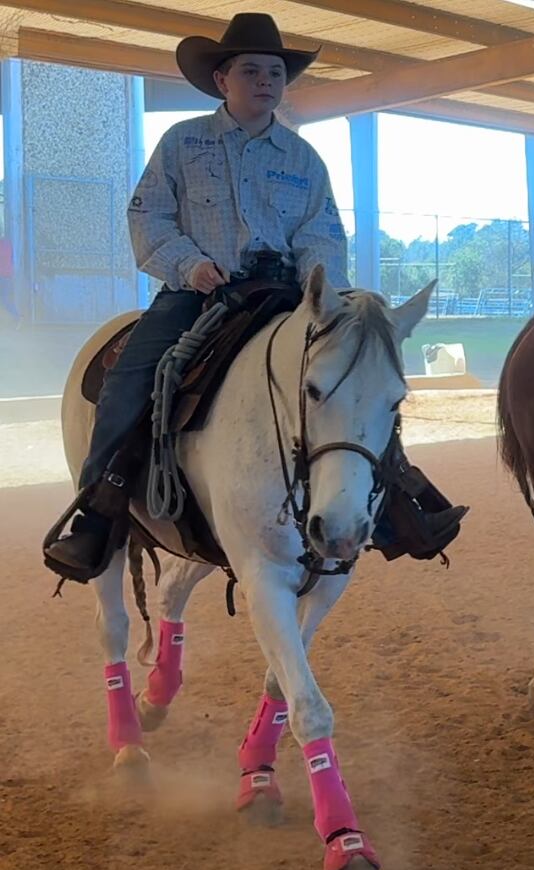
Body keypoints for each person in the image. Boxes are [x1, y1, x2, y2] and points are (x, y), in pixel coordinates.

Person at [44, 14, 466, 580]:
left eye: (274, 73)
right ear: (222, 80)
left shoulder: (303, 158)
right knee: (131, 378)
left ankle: (394, 500)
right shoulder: (181, 142)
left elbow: (321, 233)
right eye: (251, 71)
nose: (265, 81)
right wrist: (190, 265)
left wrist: (321, 288)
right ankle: (99, 510)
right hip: (197, 294)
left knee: (357, 377)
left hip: (287, 295)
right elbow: (149, 217)